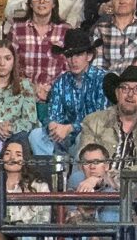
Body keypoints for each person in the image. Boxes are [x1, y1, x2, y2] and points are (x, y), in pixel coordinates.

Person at [28, 29, 107, 159]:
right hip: (63, 137)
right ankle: (51, 170)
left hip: (92, 137)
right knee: (36, 136)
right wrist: (52, 124)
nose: (73, 60)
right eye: (69, 55)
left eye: (78, 55)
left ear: (89, 56)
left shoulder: (102, 79)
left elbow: (101, 119)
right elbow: (53, 114)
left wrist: (70, 128)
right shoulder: (61, 82)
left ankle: (76, 169)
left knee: (84, 137)